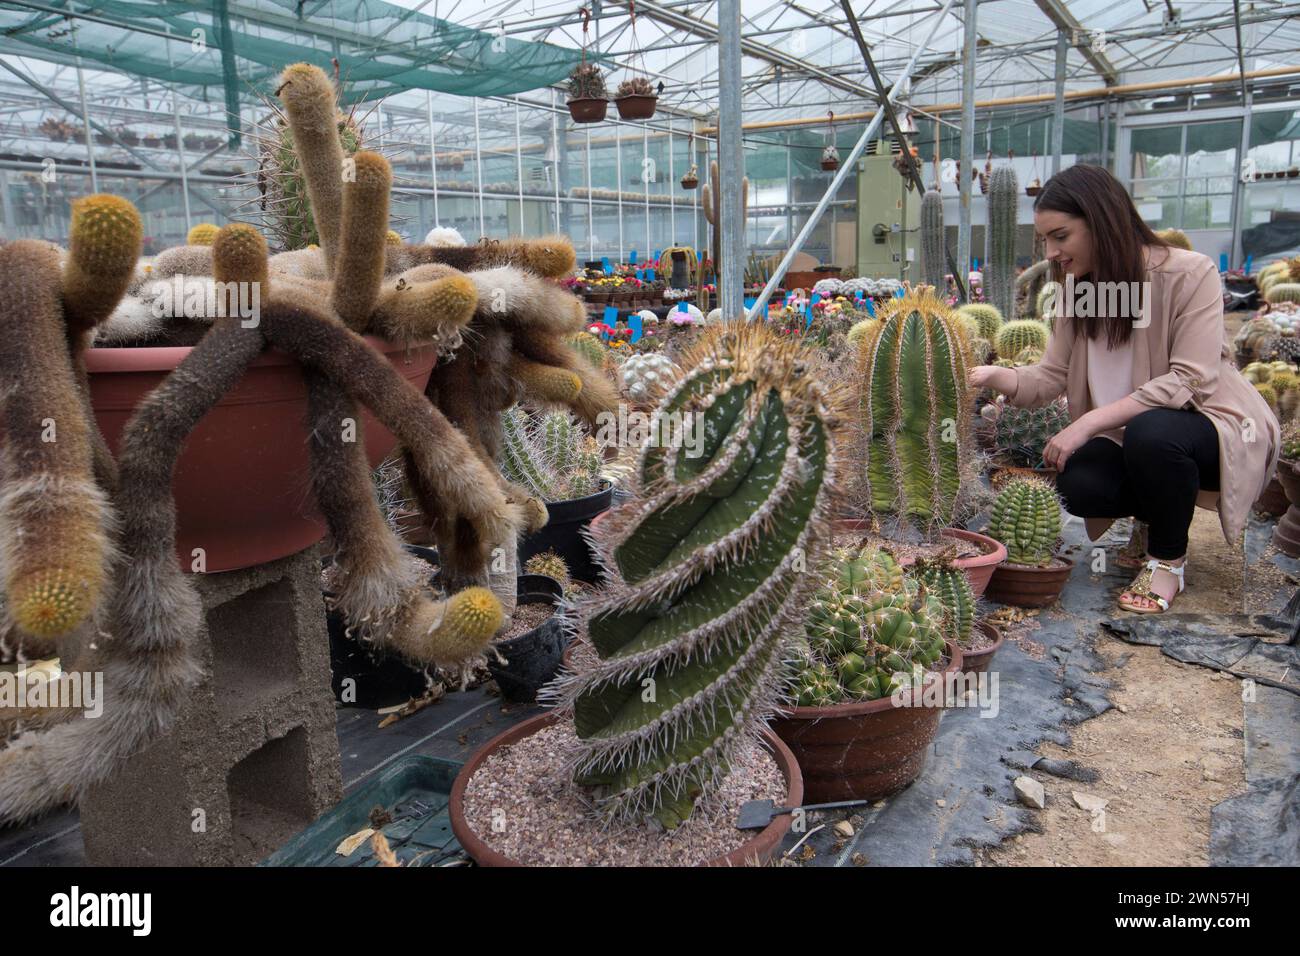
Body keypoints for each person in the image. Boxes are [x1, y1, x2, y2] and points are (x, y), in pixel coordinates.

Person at [970, 164, 1279, 613]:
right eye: (1045, 241)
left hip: (1213, 428)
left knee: (1153, 433)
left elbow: (1190, 379)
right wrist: (994, 377)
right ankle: (1154, 517)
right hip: (1137, 436)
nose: (1052, 252)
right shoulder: (1078, 293)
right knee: (1080, 481)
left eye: (1061, 236)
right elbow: (1051, 376)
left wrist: (1088, 422)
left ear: (1102, 222)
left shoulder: (1190, 274)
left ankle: (1168, 561)